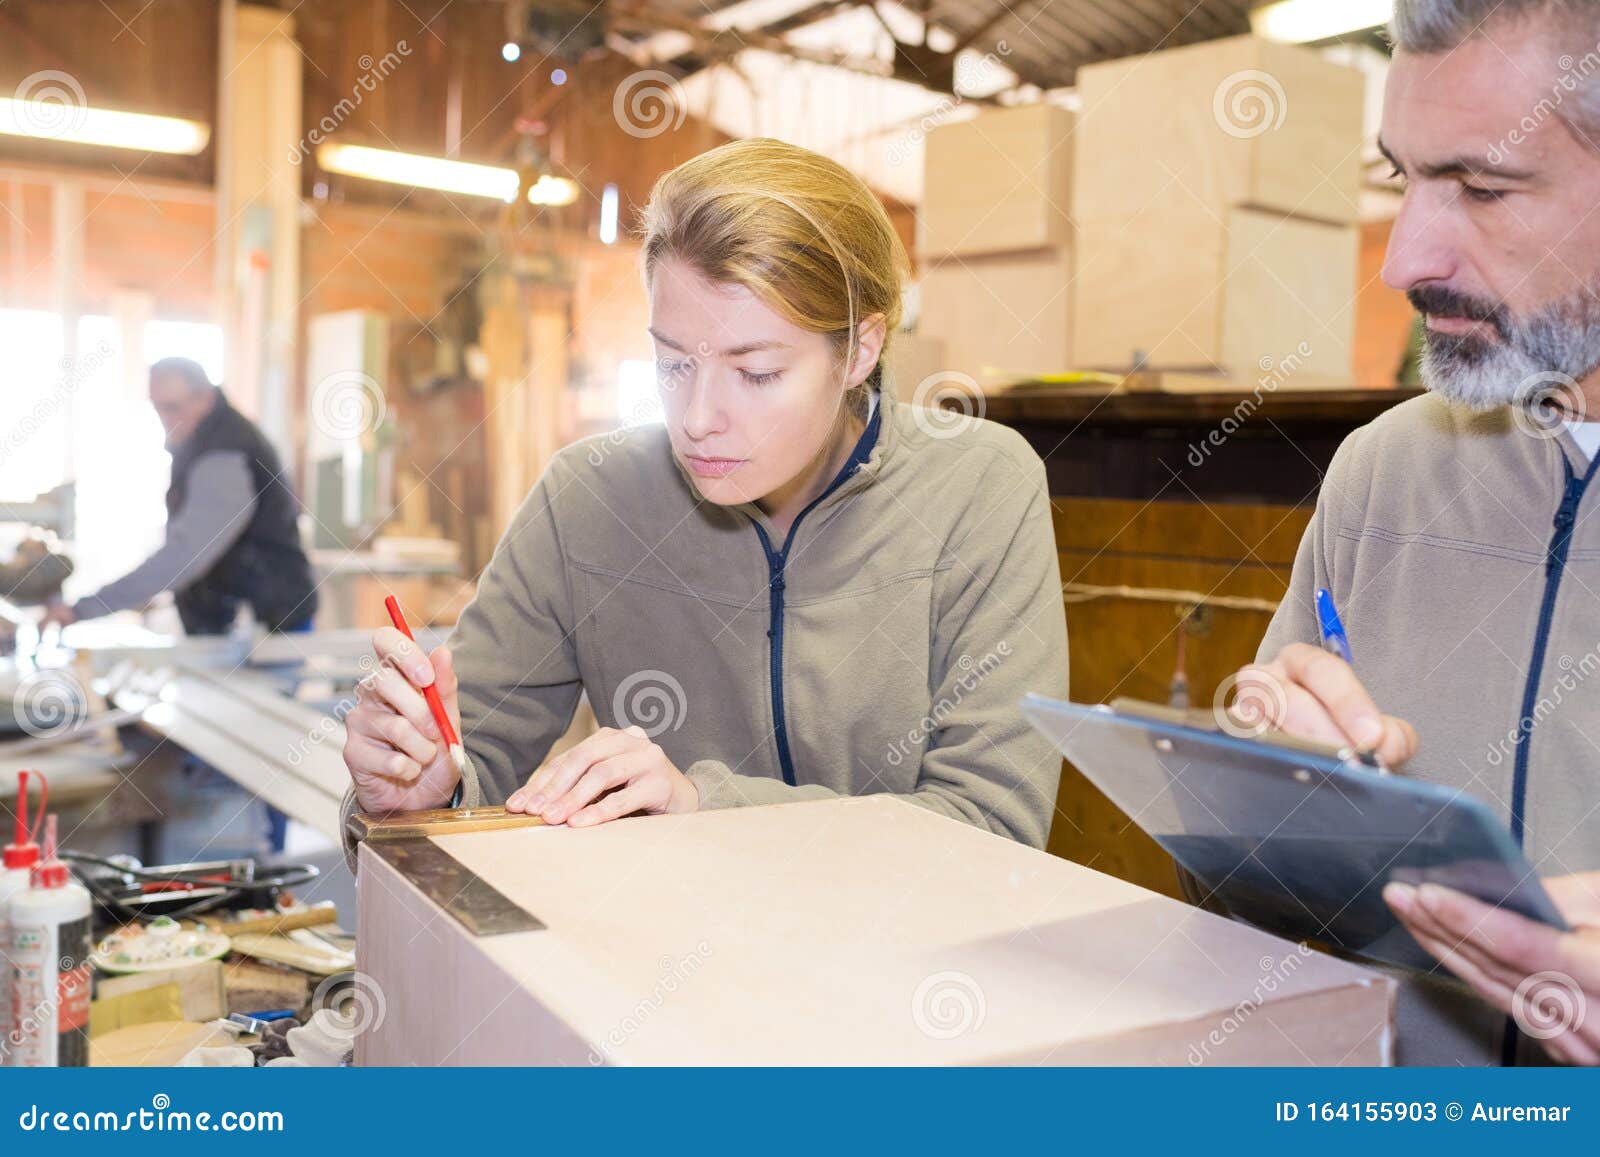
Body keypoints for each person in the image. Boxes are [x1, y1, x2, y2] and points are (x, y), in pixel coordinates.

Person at [341, 138, 1069, 856]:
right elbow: (463, 766)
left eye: (756, 373)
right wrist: (420, 795)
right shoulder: (588, 500)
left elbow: (994, 831)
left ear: (859, 350)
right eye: (672, 363)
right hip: (654, 935)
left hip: (903, 939)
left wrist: (705, 808)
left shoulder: (980, 487)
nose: (696, 419)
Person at [1241, 0, 1600, 1064]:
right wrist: (1262, 786)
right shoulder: (1383, 470)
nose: (1402, 261)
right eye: (1401, 177)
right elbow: (1248, 891)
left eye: (1482, 187)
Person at [42, 357, 317, 636]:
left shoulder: (225, 455)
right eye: (157, 408)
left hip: (269, 623)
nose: (164, 420)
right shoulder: (198, 441)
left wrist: (83, 609)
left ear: (205, 399)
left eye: (172, 407)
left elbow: (184, 555)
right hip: (233, 619)